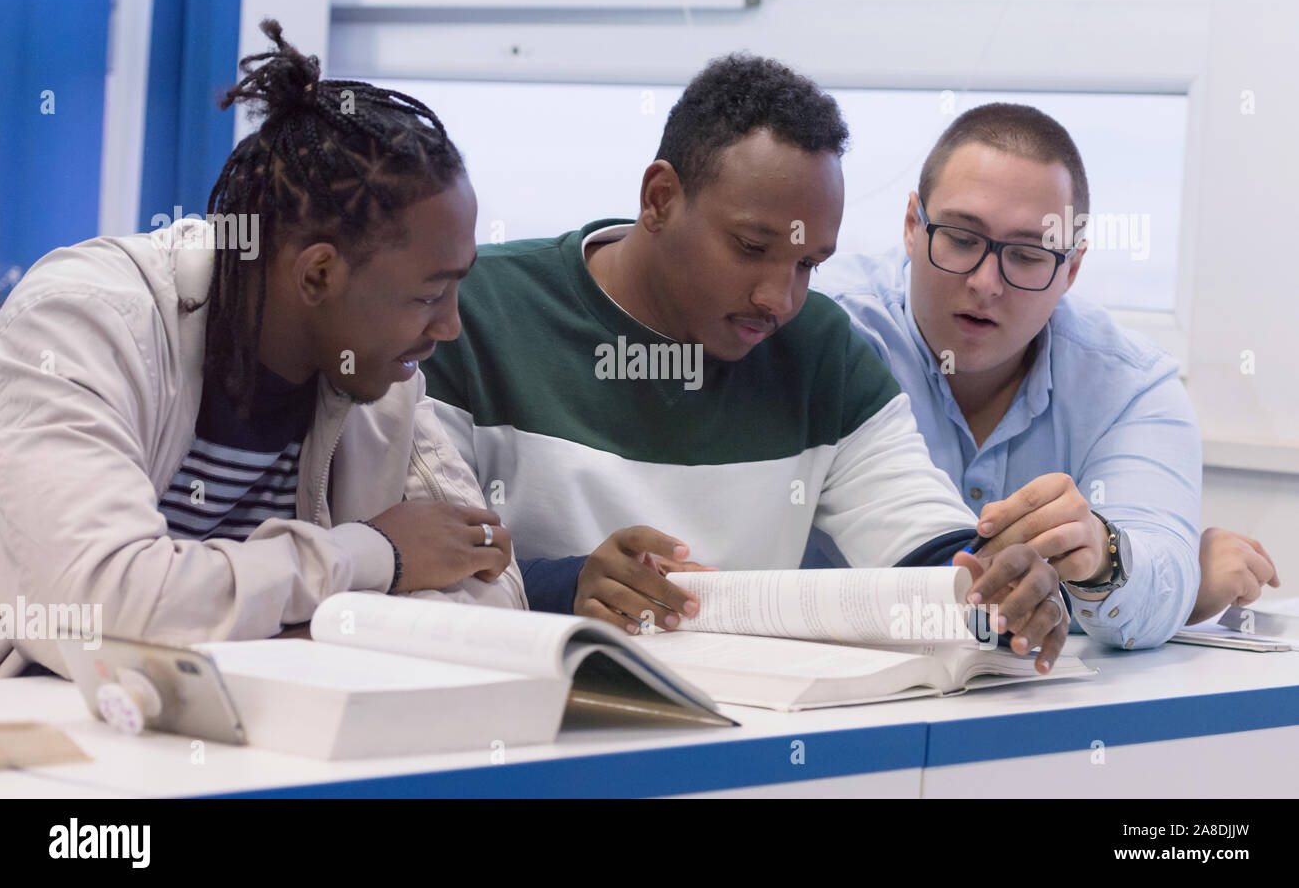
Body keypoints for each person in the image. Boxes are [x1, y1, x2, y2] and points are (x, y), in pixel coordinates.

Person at [425, 55, 1070, 673]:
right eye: (750, 247)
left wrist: (1004, 584)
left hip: (749, 732)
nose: (779, 299)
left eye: (808, 266)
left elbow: (927, 548)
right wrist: (567, 587)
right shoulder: (470, 313)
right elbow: (404, 563)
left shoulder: (823, 351)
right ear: (659, 198)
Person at [0, 21, 524, 678]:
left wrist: (302, 623)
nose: (448, 325)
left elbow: (489, 588)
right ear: (317, 276)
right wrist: (369, 555)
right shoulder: (84, 320)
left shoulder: (375, 374)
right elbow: (97, 606)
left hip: (253, 745)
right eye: (428, 295)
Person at [814, 102, 1277, 648]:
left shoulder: (1131, 388)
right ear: (914, 227)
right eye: (962, 240)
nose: (987, 283)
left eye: (1028, 255)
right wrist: (1188, 594)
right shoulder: (824, 336)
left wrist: (1107, 561)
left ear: (1071, 268)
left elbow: (1157, 568)